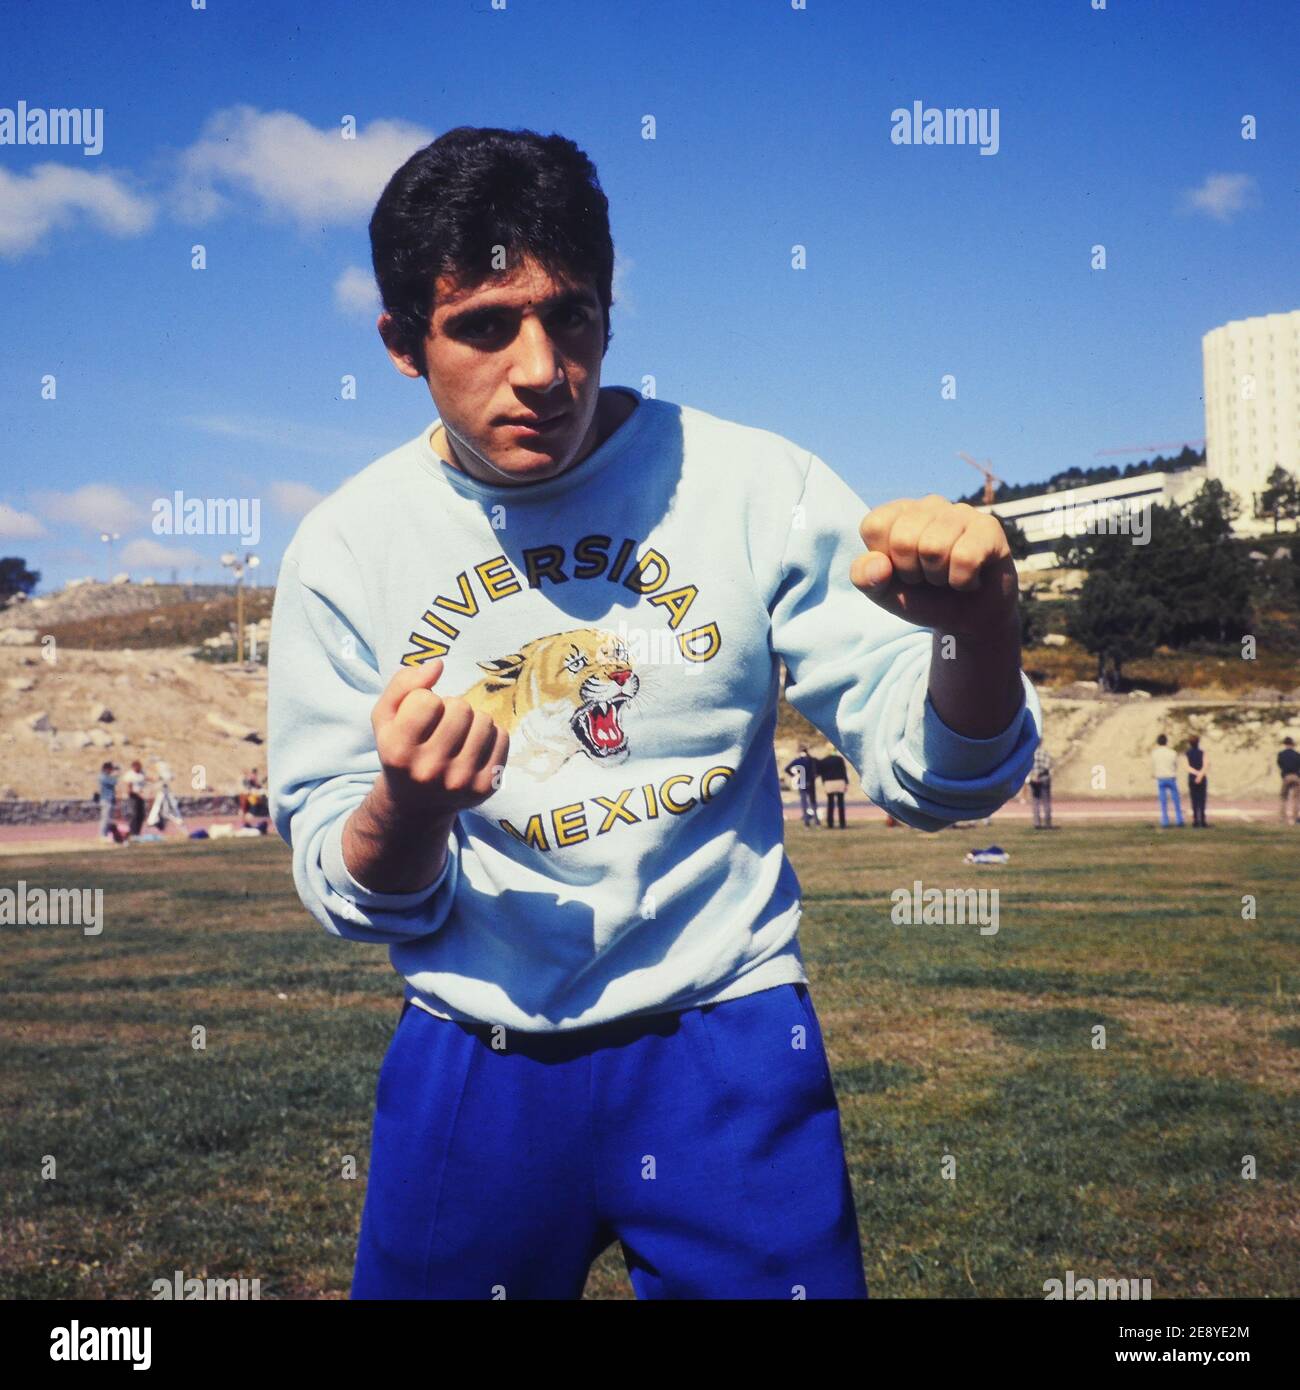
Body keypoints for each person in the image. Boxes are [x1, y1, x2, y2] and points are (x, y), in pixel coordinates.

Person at [267, 127, 1042, 1302]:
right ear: (399, 345)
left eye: (569, 315)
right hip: (478, 1051)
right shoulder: (344, 545)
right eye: (483, 324)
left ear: (610, 309)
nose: (541, 367)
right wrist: (406, 807)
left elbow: (939, 776)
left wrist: (975, 632)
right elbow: (347, 878)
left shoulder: (752, 485)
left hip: (726, 1041)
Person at [1151, 733, 1184, 828]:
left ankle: (1165, 821)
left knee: (1163, 801)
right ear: (1166, 741)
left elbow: (1154, 765)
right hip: (1171, 777)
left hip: (1161, 778)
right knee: (1176, 800)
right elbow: (1175, 765)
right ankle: (1179, 819)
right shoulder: (1172, 752)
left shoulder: (1155, 753)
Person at [784, 745, 821, 826]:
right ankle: (816, 820)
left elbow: (786, 769)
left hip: (802, 781)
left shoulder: (798, 760)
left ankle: (806, 821)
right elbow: (820, 767)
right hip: (810, 782)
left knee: (804, 802)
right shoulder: (812, 760)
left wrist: (794, 775)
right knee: (813, 802)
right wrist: (816, 775)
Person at [819, 750, 848, 828]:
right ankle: (842, 824)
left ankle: (830, 823)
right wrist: (846, 782)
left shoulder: (824, 760)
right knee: (841, 804)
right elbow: (843, 771)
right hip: (840, 781)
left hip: (829, 783)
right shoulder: (839, 759)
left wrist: (824, 783)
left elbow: (822, 773)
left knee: (830, 804)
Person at [1185, 734, 1209, 828]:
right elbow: (1206, 764)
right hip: (1202, 778)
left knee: (1194, 800)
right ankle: (1202, 820)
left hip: (1192, 778)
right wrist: (1200, 774)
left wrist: (1195, 773)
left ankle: (1195, 821)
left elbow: (1187, 767)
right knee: (1202, 800)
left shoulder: (1187, 753)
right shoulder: (1203, 752)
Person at [1027, 742, 1053, 828]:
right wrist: (1039, 775)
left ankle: (1037, 823)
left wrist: (1033, 776)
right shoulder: (1045, 753)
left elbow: (1027, 767)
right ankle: (1047, 823)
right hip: (1043, 778)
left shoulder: (1030, 754)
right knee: (1046, 802)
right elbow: (1047, 766)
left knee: (1035, 802)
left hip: (1033, 780)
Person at [95, 761, 119, 841]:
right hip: (105, 800)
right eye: (110, 769)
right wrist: (115, 775)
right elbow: (114, 782)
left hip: (109, 799)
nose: (111, 771)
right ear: (106, 769)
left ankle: (106, 834)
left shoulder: (107, 776)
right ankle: (102, 835)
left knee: (108, 818)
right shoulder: (102, 777)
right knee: (105, 818)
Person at [1279, 736, 1300, 825]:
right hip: (1296, 777)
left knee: (1284, 798)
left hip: (1287, 776)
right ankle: (1295, 819)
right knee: (1296, 799)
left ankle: (1283, 819)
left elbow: (1280, 765)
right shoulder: (1297, 754)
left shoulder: (1281, 754)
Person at [124, 760, 148, 837]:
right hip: (133, 797)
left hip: (141, 796)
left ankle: (138, 832)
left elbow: (146, 779)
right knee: (134, 815)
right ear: (133, 767)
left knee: (141, 815)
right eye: (137, 767)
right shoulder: (130, 775)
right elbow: (128, 789)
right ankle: (133, 833)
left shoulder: (141, 773)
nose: (139, 769)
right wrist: (137, 793)